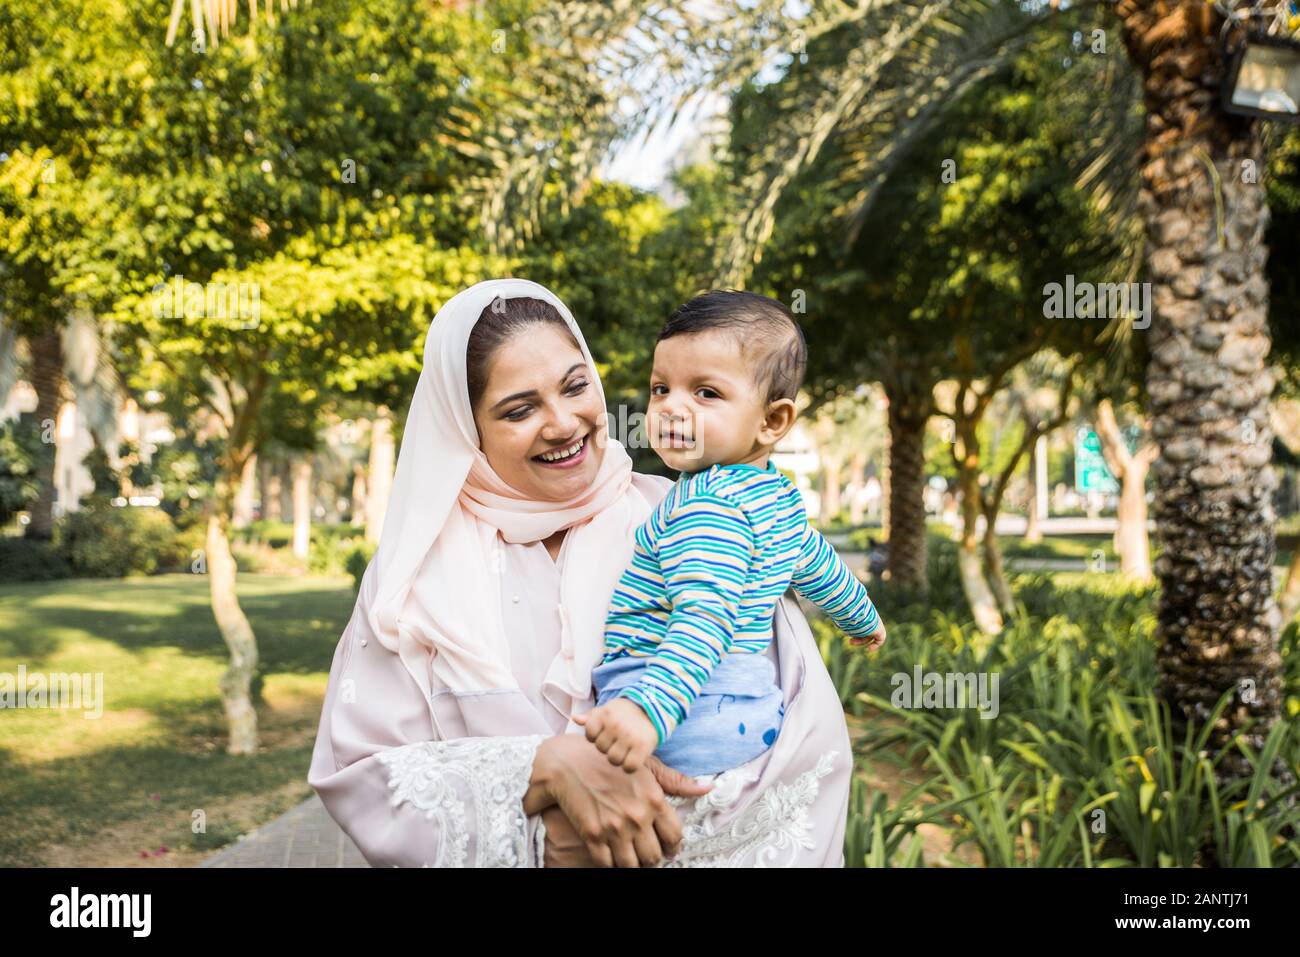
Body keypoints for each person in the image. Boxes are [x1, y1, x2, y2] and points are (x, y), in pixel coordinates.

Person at [307, 278, 853, 867]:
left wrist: (682, 833)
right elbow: (364, 776)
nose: (564, 423)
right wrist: (545, 773)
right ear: (468, 430)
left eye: (575, 387)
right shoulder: (413, 578)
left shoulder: (689, 516)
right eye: (519, 409)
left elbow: (807, 740)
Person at [575, 291, 885, 779]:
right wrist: (863, 619)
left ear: (773, 421)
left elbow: (705, 616)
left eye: (706, 393)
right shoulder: (776, 499)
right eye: (661, 389)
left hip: (677, 707)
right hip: (745, 709)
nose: (671, 407)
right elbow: (820, 565)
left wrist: (646, 711)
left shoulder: (708, 508)